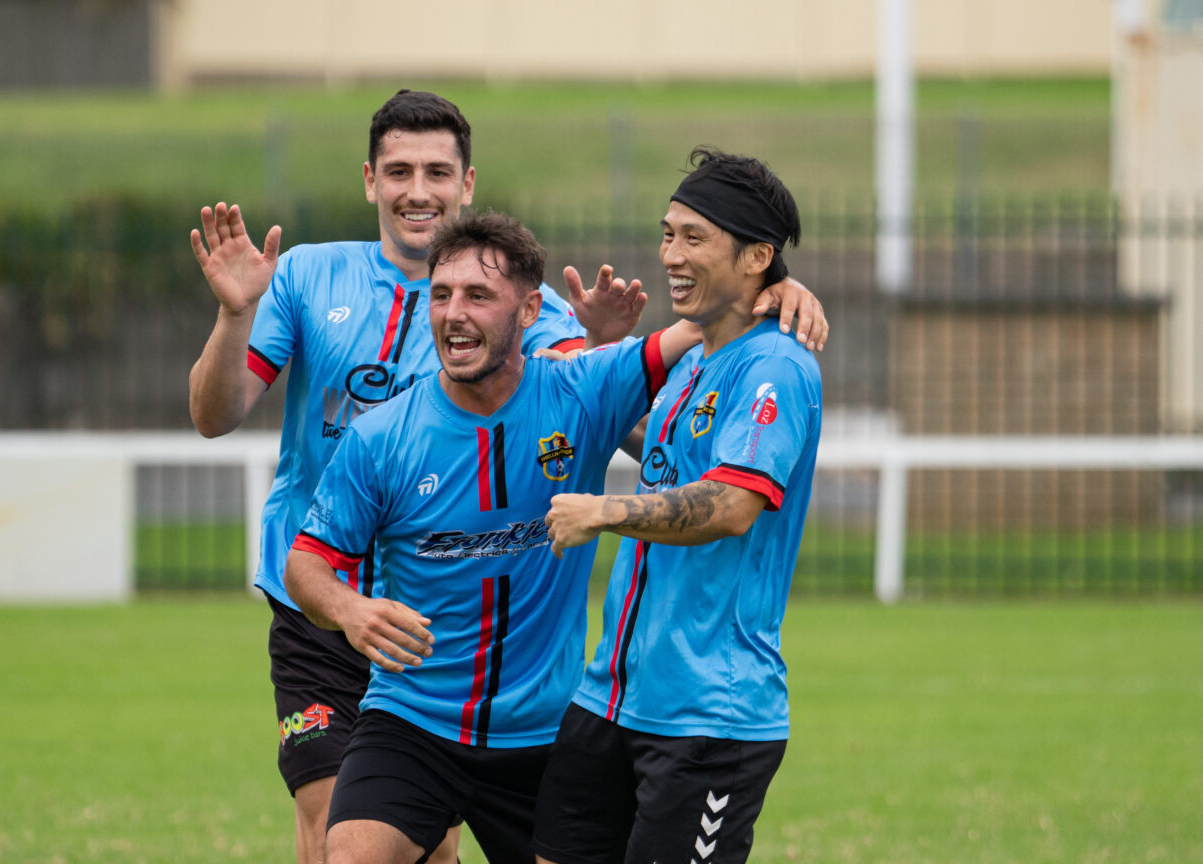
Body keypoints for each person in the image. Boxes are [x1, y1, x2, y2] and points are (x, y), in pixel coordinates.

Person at [186, 90, 828, 864]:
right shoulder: (306, 284)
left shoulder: (574, 335)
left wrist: (770, 295)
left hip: (560, 697)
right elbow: (216, 416)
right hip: (339, 622)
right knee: (339, 842)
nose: (416, 189)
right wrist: (232, 316)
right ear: (368, 179)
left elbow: (644, 409)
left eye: (435, 171)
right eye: (397, 170)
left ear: (468, 183)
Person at [284, 210, 707, 864]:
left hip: (547, 735)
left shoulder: (582, 392)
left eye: (479, 296)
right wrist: (350, 609)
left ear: (532, 308)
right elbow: (305, 564)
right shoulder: (382, 438)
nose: (454, 313)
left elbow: (702, 323)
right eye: (442, 294)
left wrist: (779, 285)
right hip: (412, 722)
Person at [535, 146, 820, 864]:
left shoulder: (776, 366)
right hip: (610, 699)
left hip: (709, 718)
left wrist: (604, 511)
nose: (672, 254)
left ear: (757, 257)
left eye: (695, 238)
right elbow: (668, 457)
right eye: (668, 233)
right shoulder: (694, 361)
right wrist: (609, 374)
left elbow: (729, 504)